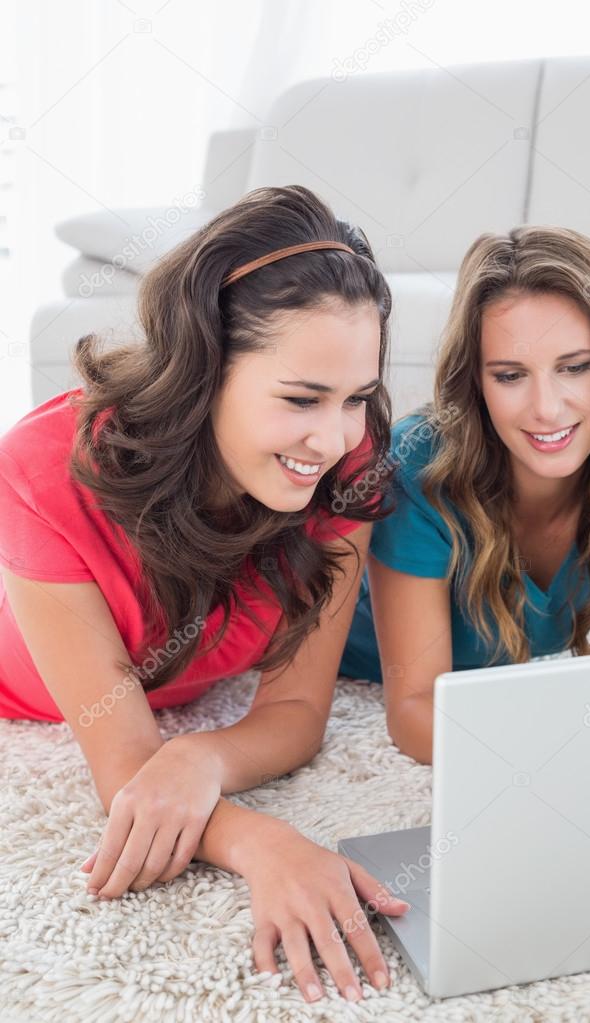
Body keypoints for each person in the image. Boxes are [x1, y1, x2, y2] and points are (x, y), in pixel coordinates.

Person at [0, 185, 410, 1004]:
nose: (332, 439)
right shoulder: (44, 472)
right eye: (300, 398)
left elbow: (296, 712)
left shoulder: (348, 470)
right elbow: (124, 767)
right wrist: (267, 845)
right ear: (205, 369)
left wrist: (201, 751)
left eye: (355, 398)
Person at [339, 226, 590, 764]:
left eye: (574, 367)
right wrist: (558, 764)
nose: (546, 408)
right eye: (510, 375)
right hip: (356, 662)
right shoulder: (416, 469)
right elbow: (413, 709)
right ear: (476, 382)